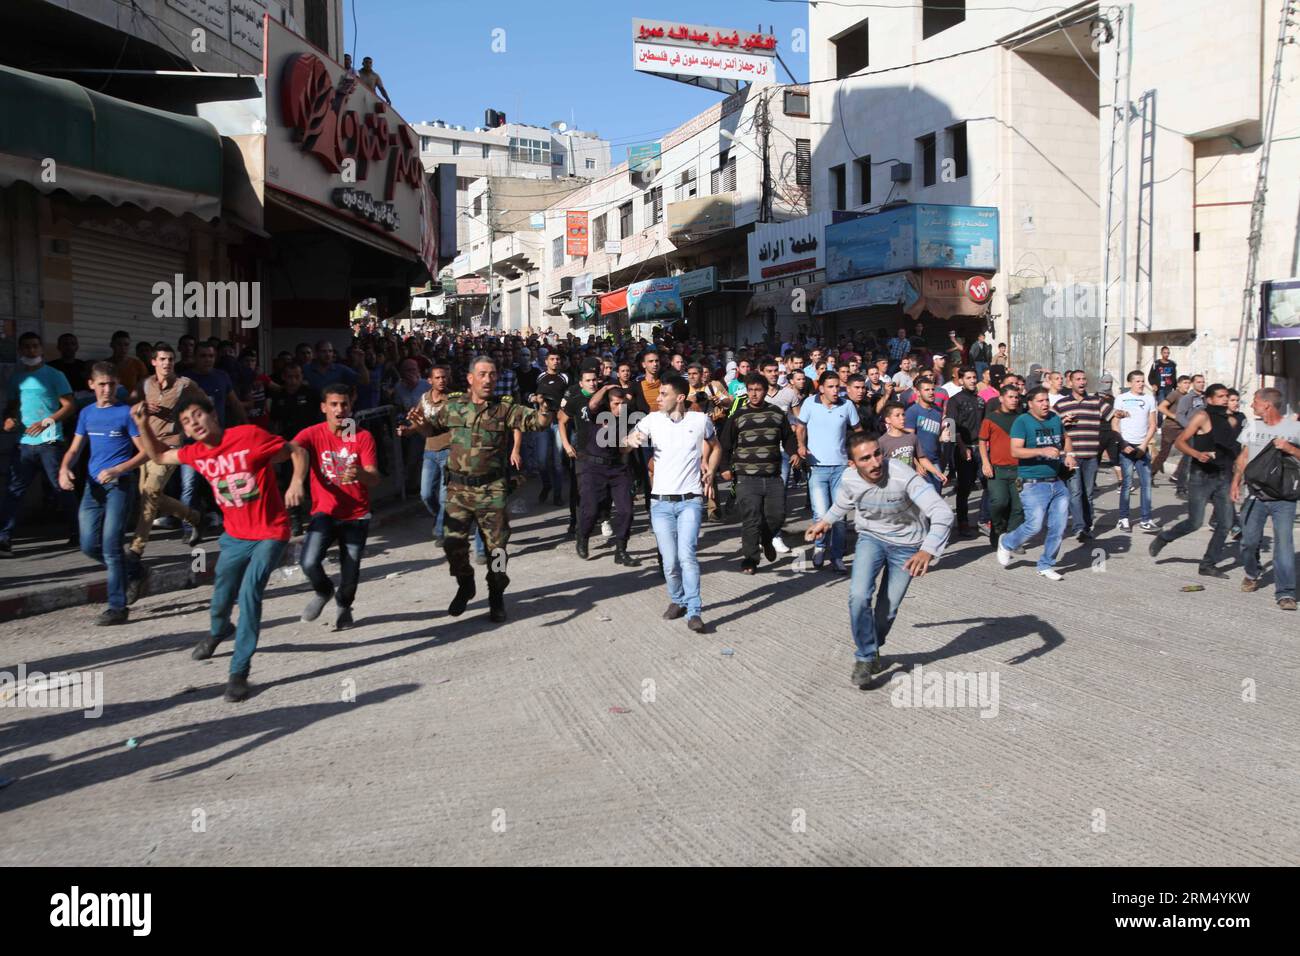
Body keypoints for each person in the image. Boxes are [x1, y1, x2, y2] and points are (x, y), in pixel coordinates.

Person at [133, 395, 308, 702]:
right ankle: (219, 630)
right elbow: (159, 456)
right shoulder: (196, 453)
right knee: (220, 596)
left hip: (270, 531)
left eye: (198, 415)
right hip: (235, 536)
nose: (194, 423)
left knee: (249, 592)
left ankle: (238, 671)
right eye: (187, 421)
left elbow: (297, 450)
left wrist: (296, 481)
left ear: (213, 415)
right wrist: (143, 424)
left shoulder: (248, 436)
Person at [807, 431, 954, 687]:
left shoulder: (901, 474)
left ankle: (873, 647)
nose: (875, 463)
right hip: (871, 539)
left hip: (908, 546)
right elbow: (843, 503)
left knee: (887, 610)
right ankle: (865, 657)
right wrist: (826, 522)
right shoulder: (850, 478)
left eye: (877, 454)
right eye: (865, 459)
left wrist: (927, 549)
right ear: (852, 463)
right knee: (859, 596)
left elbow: (941, 512)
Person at [426, 356, 551, 622]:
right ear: (470, 378)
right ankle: (465, 583)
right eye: (482, 374)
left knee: (497, 551)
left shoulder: (505, 409)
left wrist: (544, 409)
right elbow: (431, 427)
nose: (488, 379)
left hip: (492, 489)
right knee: (452, 544)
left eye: (492, 375)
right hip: (458, 489)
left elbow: (538, 423)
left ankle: (496, 595)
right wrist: (412, 426)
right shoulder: (454, 406)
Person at [624, 374, 720, 632]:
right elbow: (628, 441)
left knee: (687, 555)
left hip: (690, 500)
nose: (658, 398)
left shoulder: (700, 420)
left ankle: (695, 610)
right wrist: (630, 442)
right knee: (669, 561)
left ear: (679, 398)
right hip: (661, 504)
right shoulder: (652, 420)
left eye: (664, 394)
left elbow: (715, 445)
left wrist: (710, 469)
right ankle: (677, 600)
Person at [58, 363, 147, 625]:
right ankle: (134, 570)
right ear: (92, 385)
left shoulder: (126, 413)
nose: (107, 389)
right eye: (102, 384)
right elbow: (75, 449)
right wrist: (64, 468)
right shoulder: (86, 413)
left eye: (111, 384)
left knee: (111, 545)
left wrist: (119, 469)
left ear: (117, 384)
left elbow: (144, 453)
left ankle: (117, 607)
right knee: (88, 545)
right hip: (92, 487)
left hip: (119, 486)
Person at [295, 385, 381, 630]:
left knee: (350, 571)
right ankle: (323, 592)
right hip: (324, 511)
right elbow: (291, 449)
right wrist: (294, 480)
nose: (339, 409)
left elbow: (374, 477)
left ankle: (344, 605)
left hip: (356, 514)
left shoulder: (361, 436)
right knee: (309, 562)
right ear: (324, 408)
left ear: (351, 407)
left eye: (344, 404)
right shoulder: (312, 434)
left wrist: (361, 474)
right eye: (333, 404)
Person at [0, 332, 77, 556]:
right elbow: (12, 406)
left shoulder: (54, 375)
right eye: (26, 347)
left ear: (42, 349)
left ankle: (79, 533)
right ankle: (4, 539)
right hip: (23, 443)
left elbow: (69, 406)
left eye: (35, 346)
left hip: (50, 442)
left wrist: (47, 422)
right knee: (14, 491)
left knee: (62, 488)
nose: (31, 351)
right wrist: (8, 419)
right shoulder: (17, 377)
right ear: (20, 351)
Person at [128, 343, 207, 557]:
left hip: (170, 446)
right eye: (162, 359)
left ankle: (136, 547)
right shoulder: (145, 384)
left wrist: (190, 422)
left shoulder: (185, 385)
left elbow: (206, 404)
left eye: (170, 359)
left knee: (151, 492)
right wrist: (141, 407)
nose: (167, 363)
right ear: (153, 362)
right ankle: (194, 517)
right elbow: (131, 404)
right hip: (146, 446)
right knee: (150, 494)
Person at [1149, 384, 1236, 577]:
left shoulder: (1230, 421)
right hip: (1201, 477)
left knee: (1226, 523)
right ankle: (1165, 537)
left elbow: (1233, 450)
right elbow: (1181, 442)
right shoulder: (1202, 417)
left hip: (1222, 477)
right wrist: (1197, 454)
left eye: (1226, 396)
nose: (1224, 399)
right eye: (1221, 396)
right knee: (1195, 522)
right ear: (1210, 399)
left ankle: (1208, 564)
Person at [720, 372, 799, 574]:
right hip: (746, 477)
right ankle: (750, 559)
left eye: (758, 390)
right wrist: (725, 468)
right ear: (747, 392)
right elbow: (725, 444)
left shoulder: (776, 413)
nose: (754, 394)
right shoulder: (738, 415)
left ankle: (766, 537)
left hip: (773, 475)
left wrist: (794, 452)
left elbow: (788, 437)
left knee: (777, 515)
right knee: (751, 517)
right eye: (751, 390)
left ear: (765, 391)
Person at [995, 386, 1076, 581]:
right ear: (1030, 404)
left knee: (1058, 527)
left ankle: (1046, 564)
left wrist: (1070, 455)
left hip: (1056, 483)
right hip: (1032, 483)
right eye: (1040, 401)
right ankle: (1006, 542)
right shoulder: (1022, 422)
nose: (1045, 404)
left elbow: (1066, 439)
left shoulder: (1055, 419)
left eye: (1047, 400)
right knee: (1034, 525)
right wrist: (1041, 451)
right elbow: (1015, 451)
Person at [1232, 387, 1300, 611]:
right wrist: (1236, 482)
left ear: (1267, 405)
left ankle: (1286, 593)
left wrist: (1289, 447)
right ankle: (1252, 573)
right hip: (1255, 495)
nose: (1251, 406)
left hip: (1284, 498)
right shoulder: (1253, 426)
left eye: (1255, 402)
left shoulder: (1294, 428)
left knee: (1284, 545)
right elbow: (1244, 455)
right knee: (1248, 541)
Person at [797, 370, 861, 573]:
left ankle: (837, 556)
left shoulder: (847, 405)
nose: (836, 391)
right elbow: (800, 427)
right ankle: (819, 547)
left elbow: (858, 432)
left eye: (838, 387)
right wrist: (800, 445)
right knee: (820, 513)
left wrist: (856, 457)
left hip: (841, 467)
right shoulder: (809, 403)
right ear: (822, 388)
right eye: (831, 387)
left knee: (840, 514)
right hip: (817, 468)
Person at [574, 380, 638, 566]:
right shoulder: (597, 414)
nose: (619, 407)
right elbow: (593, 403)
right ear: (608, 403)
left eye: (622, 404)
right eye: (615, 404)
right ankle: (583, 536)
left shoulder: (625, 419)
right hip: (593, 468)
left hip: (617, 469)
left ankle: (621, 550)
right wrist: (605, 388)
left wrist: (632, 443)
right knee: (591, 510)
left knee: (626, 510)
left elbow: (623, 449)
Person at [1055, 370, 1107, 541]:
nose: (1082, 382)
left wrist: (1122, 415)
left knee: (1088, 492)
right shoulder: (1062, 404)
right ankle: (1079, 528)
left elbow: (1113, 415)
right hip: (1072, 456)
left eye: (1084, 378)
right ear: (1070, 383)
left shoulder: (1096, 401)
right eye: (1078, 379)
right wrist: (1063, 422)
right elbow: (1052, 425)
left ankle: (1087, 525)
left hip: (1091, 454)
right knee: (1076, 492)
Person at [979, 382, 1024, 550]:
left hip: (1018, 469)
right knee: (999, 503)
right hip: (997, 469)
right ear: (1001, 398)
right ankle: (998, 529)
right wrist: (985, 462)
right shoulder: (991, 418)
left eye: (1016, 397)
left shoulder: (1021, 417)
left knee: (1018, 507)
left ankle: (1011, 539)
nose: (1014, 400)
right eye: (1010, 397)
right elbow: (983, 441)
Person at [1113, 370, 1158, 532]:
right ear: (1130, 383)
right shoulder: (1121, 399)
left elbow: (1153, 424)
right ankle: (1123, 518)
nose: (1140, 384)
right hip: (1126, 446)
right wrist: (1122, 443)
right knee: (1127, 484)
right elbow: (1115, 424)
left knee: (1146, 484)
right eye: (1137, 381)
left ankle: (1146, 519)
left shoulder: (1149, 399)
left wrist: (1144, 444)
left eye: (1142, 381)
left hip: (1142, 447)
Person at [947, 366, 986, 536]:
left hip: (981, 448)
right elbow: (951, 424)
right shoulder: (955, 400)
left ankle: (985, 519)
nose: (972, 380)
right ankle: (963, 522)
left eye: (974, 377)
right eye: (968, 377)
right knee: (964, 488)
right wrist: (962, 447)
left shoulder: (980, 400)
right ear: (961, 380)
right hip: (965, 449)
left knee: (988, 484)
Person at [904, 376, 944, 495]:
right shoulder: (912, 412)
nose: (931, 392)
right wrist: (916, 464)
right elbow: (908, 441)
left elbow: (935, 436)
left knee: (936, 496)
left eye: (933, 389)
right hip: (919, 461)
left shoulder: (938, 410)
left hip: (935, 459)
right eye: (927, 390)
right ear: (918, 392)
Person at [1152, 375, 1192, 480]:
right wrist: (1175, 416)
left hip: (1182, 428)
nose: (1187, 385)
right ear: (1178, 384)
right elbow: (1161, 407)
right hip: (1170, 428)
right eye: (1185, 383)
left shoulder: (1188, 397)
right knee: (1164, 454)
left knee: (1188, 452)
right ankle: (1150, 474)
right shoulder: (1175, 394)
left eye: (1188, 383)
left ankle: (1176, 475)